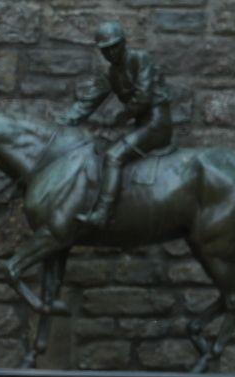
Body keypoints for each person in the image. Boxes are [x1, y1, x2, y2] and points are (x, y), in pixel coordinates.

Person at [60, 19, 174, 230]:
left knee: (114, 156)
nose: (111, 53)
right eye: (105, 50)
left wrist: (123, 115)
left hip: (157, 123)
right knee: (100, 148)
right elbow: (89, 101)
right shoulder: (110, 74)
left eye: (115, 46)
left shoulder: (141, 59)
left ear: (123, 43)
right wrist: (66, 121)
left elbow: (144, 95)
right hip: (141, 125)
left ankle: (103, 212)